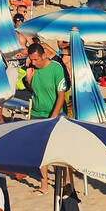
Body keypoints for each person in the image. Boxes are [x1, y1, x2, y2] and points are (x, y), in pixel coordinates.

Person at [25, 42, 66, 190]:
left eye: (36, 59)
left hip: (54, 113)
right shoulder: (31, 70)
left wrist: (53, 116)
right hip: (37, 112)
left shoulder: (56, 68)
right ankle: (44, 185)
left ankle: (62, 181)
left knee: (55, 151)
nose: (33, 62)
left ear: (44, 55)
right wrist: (29, 80)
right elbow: (34, 90)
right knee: (40, 151)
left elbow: (61, 96)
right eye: (31, 59)